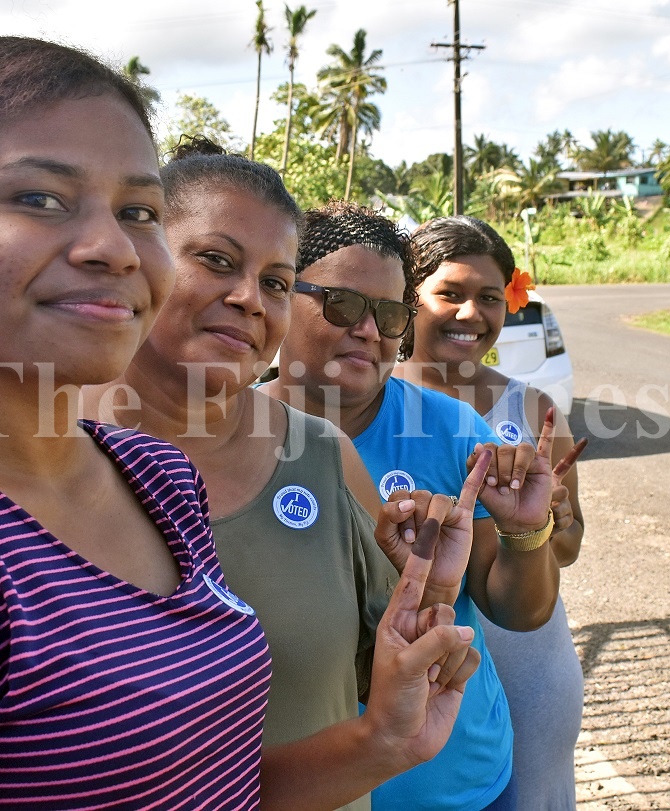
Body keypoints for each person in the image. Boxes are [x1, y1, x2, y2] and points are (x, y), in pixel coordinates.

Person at [0, 37, 482, 811]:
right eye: (40, 198)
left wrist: (383, 738)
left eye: (137, 212)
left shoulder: (153, 475)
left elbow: (209, 785)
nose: (113, 248)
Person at [83, 138, 489, 811]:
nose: (249, 298)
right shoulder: (36, 458)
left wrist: (432, 596)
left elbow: (374, 677)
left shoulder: (321, 455)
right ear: (139, 256)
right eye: (216, 260)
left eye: (274, 281)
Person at [262, 202, 569, 811]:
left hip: (457, 782)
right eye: (341, 303)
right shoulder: (223, 437)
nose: (369, 330)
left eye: (390, 313)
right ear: (280, 294)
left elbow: (519, 611)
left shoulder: (453, 428)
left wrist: (526, 531)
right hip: (299, 786)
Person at [396, 214, 587, 811]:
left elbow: (570, 547)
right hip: (417, 665)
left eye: (488, 297)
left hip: (527, 659)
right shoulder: (365, 404)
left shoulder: (531, 409)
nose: (470, 313)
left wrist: (544, 521)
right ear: (408, 298)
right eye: (449, 293)